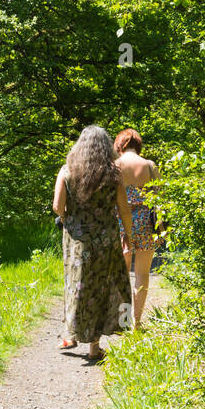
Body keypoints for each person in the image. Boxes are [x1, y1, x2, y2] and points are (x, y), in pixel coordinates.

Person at [52, 127, 135, 361]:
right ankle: (94, 348)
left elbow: (58, 206)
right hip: (105, 239)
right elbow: (124, 209)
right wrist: (128, 235)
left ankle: (73, 333)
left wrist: (69, 215)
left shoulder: (67, 172)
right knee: (101, 287)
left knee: (77, 284)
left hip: (77, 240)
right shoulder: (113, 174)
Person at [113, 128, 160, 329]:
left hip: (119, 222)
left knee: (120, 273)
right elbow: (160, 200)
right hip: (145, 223)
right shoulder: (149, 166)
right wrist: (161, 229)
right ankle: (137, 323)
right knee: (142, 273)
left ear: (119, 146)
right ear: (138, 146)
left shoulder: (114, 166)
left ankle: (122, 320)